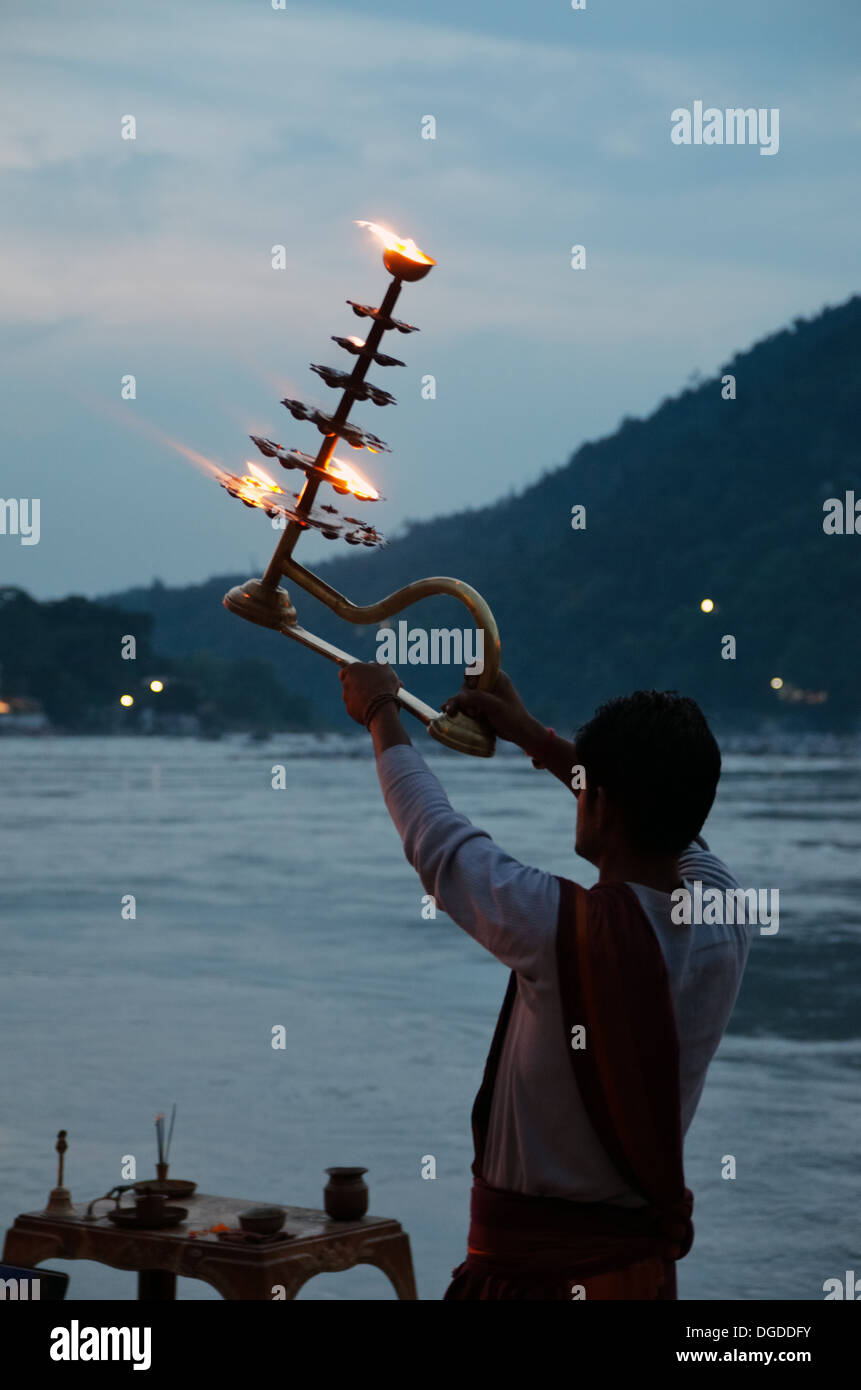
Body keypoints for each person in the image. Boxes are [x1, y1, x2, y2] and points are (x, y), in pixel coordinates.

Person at [338, 662, 752, 1300]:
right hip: (636, 1280)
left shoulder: (563, 931)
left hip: (539, 1285)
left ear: (601, 802)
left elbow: (438, 841)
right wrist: (531, 734)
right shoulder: (724, 916)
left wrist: (379, 713)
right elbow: (660, 813)